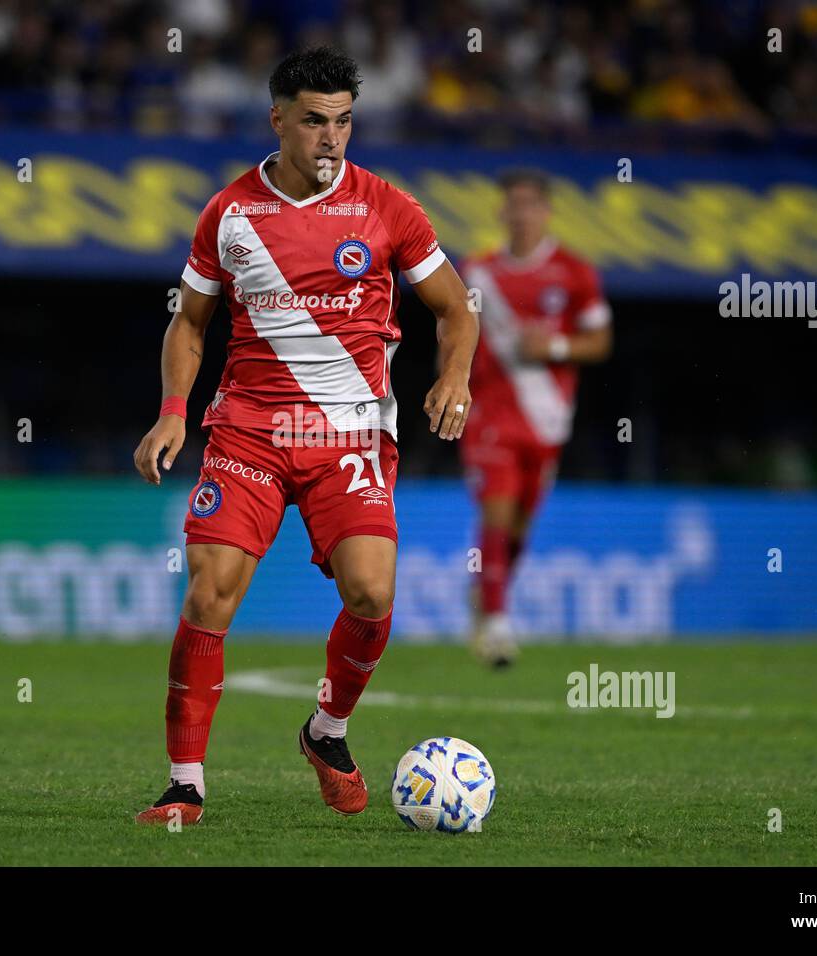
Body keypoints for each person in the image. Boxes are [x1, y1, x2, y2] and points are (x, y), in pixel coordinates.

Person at [132, 46, 479, 824]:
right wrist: (173, 411)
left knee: (371, 591)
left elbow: (457, 309)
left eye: (345, 121)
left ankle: (327, 730)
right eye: (316, 121)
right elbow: (190, 323)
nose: (332, 138)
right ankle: (185, 784)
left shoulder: (389, 208)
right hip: (249, 434)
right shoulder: (229, 213)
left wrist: (454, 377)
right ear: (278, 119)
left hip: (351, 437)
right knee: (210, 594)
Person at [458, 168, 612, 666]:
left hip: (547, 419)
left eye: (529, 204)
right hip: (490, 414)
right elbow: (455, 331)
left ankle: (486, 593)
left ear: (546, 210)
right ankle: (498, 626)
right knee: (496, 512)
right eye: (512, 204)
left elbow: (600, 342)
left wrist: (557, 344)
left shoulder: (574, 272)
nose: (520, 214)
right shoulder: (476, 271)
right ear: (501, 211)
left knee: (521, 525)